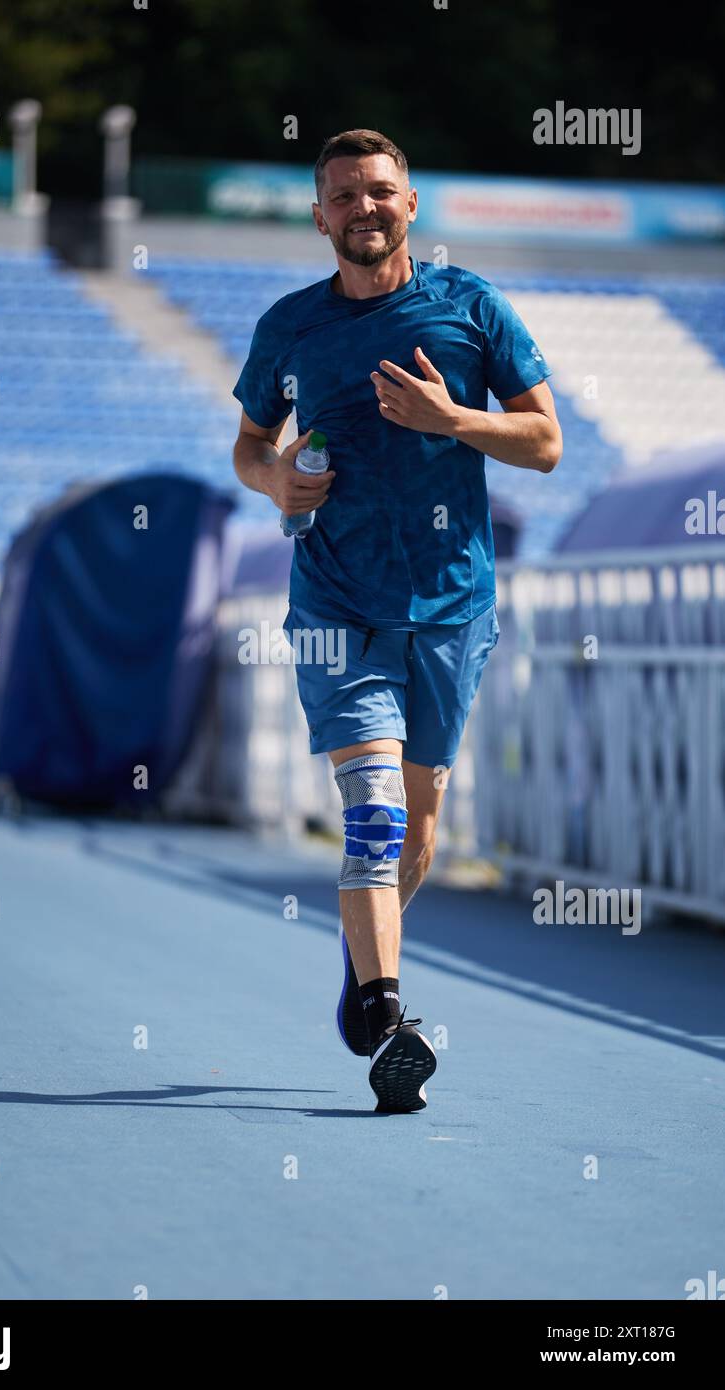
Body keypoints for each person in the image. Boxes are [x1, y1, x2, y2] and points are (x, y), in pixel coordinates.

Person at [232, 129, 561, 1114]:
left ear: (409, 205)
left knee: (415, 835)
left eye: (378, 191)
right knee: (371, 816)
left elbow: (543, 442)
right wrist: (277, 479)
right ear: (318, 216)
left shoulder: (471, 309)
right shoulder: (289, 327)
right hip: (336, 603)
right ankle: (386, 1017)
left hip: (452, 609)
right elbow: (250, 447)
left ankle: (358, 961)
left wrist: (450, 420)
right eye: (341, 195)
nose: (361, 208)